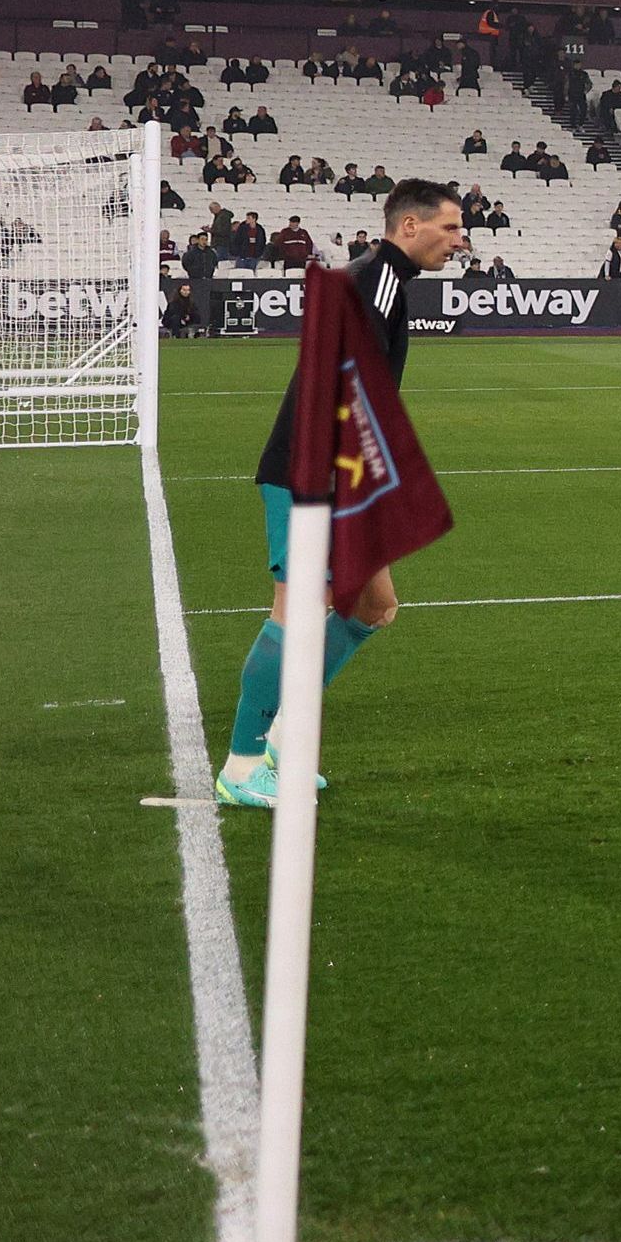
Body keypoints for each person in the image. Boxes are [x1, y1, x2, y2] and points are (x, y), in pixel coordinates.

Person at [215, 178, 469, 809]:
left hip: (342, 474)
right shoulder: (376, 281)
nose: (460, 241)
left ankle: (283, 738)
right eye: (451, 228)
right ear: (409, 226)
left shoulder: (384, 281)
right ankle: (242, 765)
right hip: (315, 475)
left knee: (372, 608)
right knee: (297, 609)